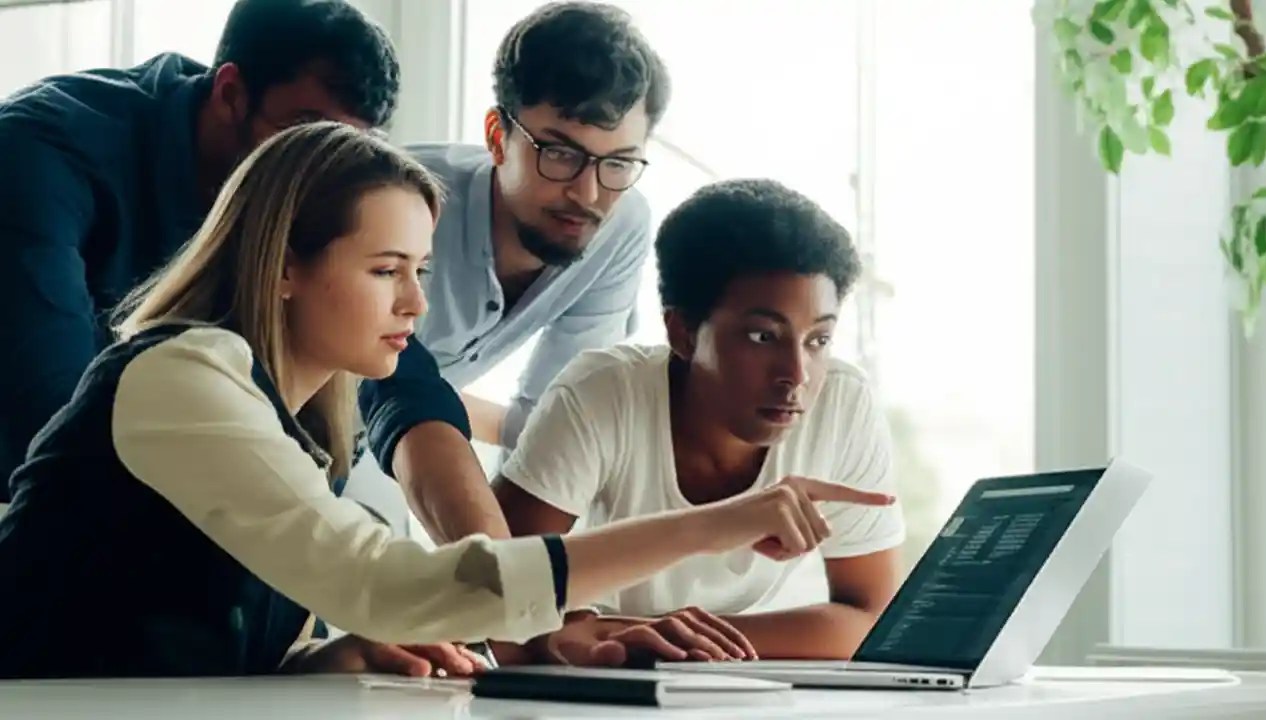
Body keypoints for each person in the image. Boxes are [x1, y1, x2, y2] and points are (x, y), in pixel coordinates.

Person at [0, 123, 895, 679]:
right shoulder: (181, 377)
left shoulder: (296, 426)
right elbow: (387, 584)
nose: (417, 306)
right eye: (386, 271)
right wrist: (721, 523)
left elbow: (178, 632)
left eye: (421, 271)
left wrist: (320, 658)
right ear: (282, 268)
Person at [493, 179, 906, 666]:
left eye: (818, 340)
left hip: (753, 686)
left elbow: (875, 621)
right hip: (612, 685)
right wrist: (603, 637)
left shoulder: (843, 403)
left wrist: (677, 637)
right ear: (683, 333)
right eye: (762, 336)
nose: (795, 375)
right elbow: (495, 602)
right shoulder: (603, 393)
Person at [0, 0, 404, 498]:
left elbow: (318, 441)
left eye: (346, 151)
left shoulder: (313, 197)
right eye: (302, 133)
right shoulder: (39, 154)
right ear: (231, 93)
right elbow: (50, 424)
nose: (319, 178)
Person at [357, 1, 669, 544]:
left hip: (388, 444)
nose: (589, 193)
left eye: (618, 162)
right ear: (498, 136)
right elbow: (391, 391)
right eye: (560, 153)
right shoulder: (397, 199)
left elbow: (553, 422)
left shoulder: (620, 226)